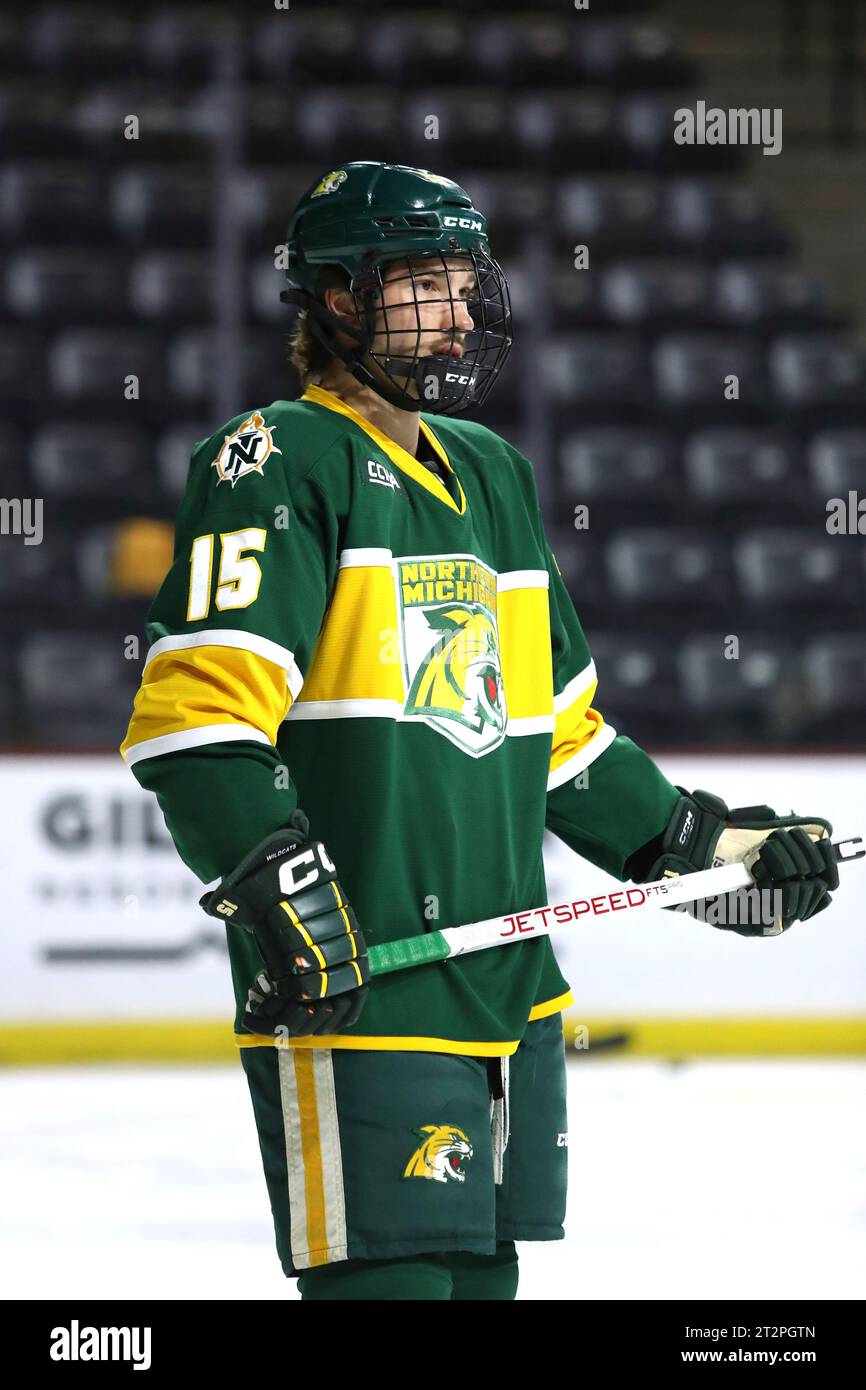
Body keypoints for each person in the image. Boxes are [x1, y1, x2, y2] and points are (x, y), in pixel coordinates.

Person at [120, 162, 840, 1301]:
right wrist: (277, 891)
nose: (463, 311)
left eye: (467, 281)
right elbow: (197, 723)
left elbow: (558, 736)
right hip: (363, 998)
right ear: (340, 297)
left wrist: (703, 853)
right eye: (427, 282)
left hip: (511, 995)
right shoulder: (274, 460)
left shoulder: (493, 474)